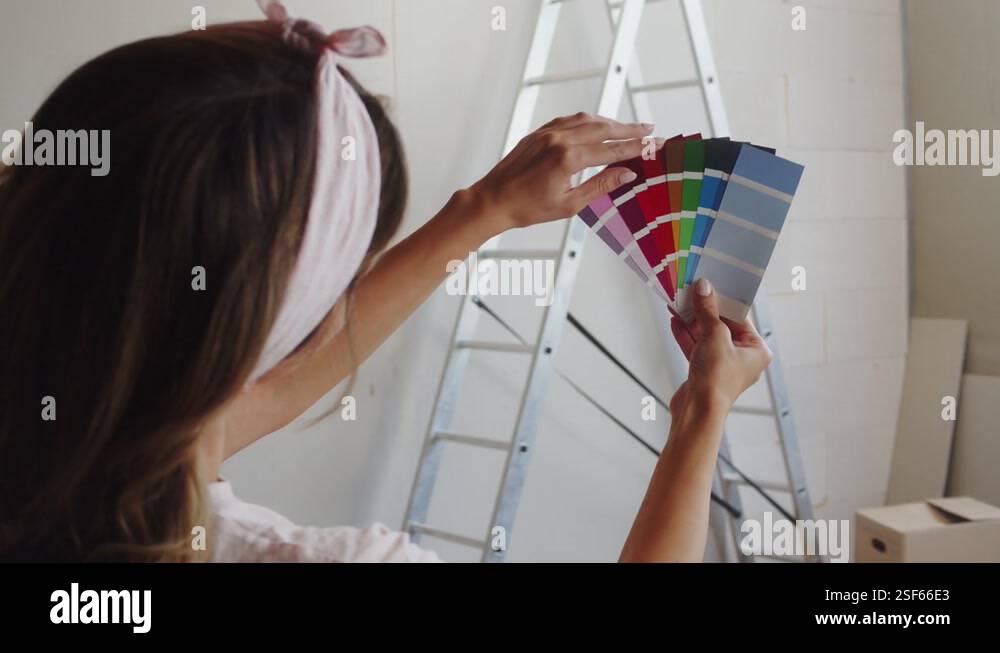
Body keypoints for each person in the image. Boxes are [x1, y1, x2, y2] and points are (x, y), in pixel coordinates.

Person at [0, 1, 771, 562]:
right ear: (271, 328)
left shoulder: (76, 452)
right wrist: (703, 409)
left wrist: (483, 210)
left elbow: (235, 403)